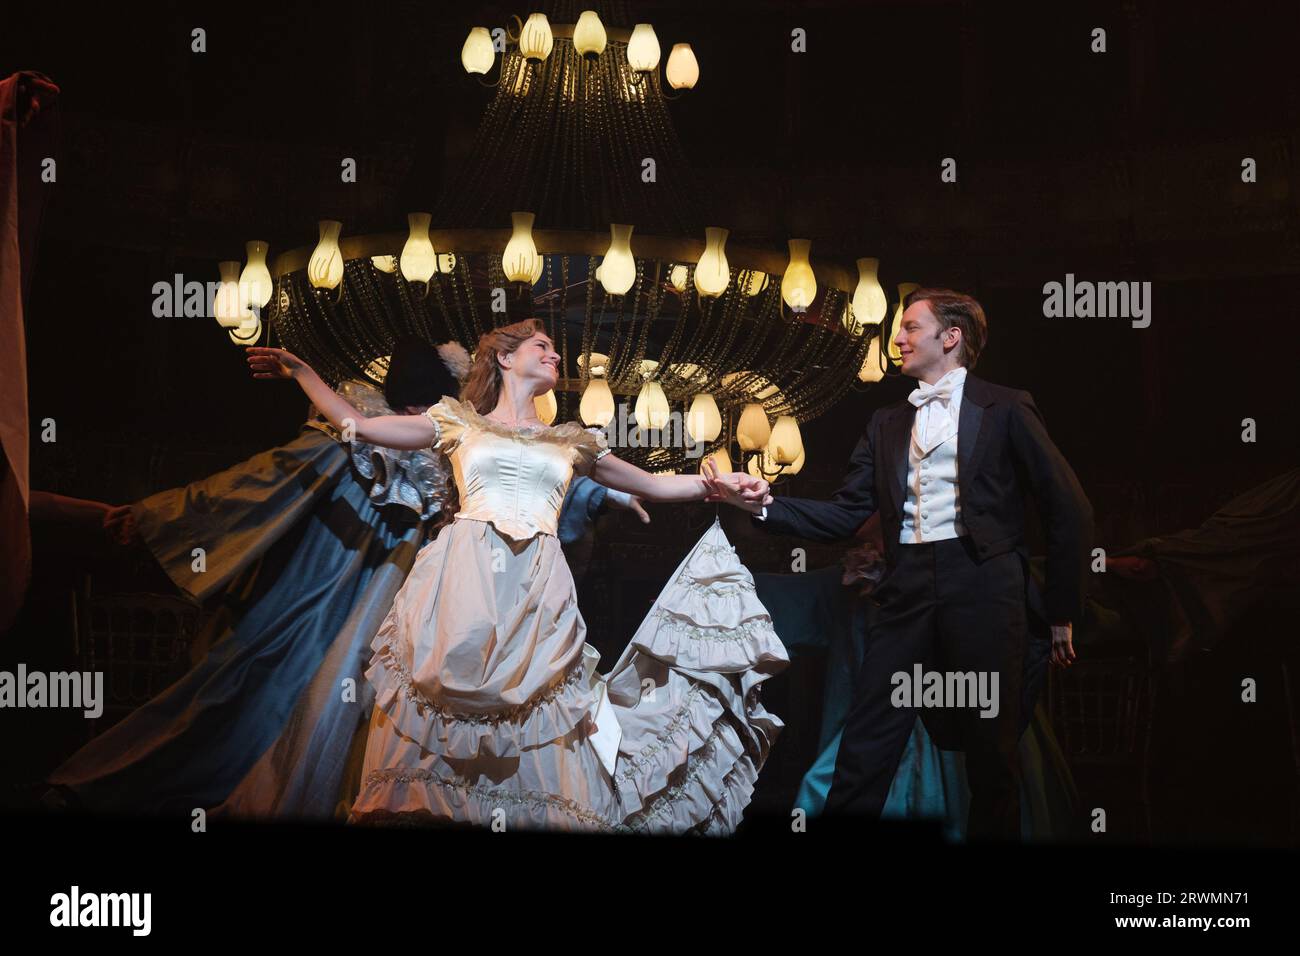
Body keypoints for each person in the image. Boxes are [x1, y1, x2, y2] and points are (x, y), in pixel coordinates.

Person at [41, 337, 644, 820]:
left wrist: (608, 494)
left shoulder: (462, 435)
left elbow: (536, 469)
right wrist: (151, 516)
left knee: (411, 695)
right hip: (335, 596)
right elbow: (261, 486)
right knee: (313, 692)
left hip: (436, 593)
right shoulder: (380, 438)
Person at [246, 318, 787, 834]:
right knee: (445, 684)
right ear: (505, 358)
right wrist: (302, 372)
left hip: (537, 582)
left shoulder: (571, 440)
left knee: (539, 697)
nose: (556, 355)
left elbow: (653, 483)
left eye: (554, 350)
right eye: (542, 346)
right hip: (464, 578)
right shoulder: (457, 420)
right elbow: (360, 425)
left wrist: (721, 487)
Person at [710, 288, 1093, 840]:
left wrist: (1061, 608)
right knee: (867, 738)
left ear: (951, 337)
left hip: (985, 585)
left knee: (992, 750)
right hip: (907, 585)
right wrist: (762, 502)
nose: (898, 338)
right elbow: (845, 515)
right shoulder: (886, 422)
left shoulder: (1006, 406)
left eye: (912, 327)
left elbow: (1068, 507)